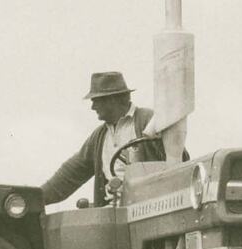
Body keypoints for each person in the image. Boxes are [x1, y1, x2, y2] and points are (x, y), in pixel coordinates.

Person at [38, 71, 169, 206]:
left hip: (151, 207)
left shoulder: (148, 120)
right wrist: (33, 198)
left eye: (96, 101)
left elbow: (177, 159)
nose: (93, 107)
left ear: (112, 99)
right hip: (114, 211)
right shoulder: (99, 136)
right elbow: (70, 174)